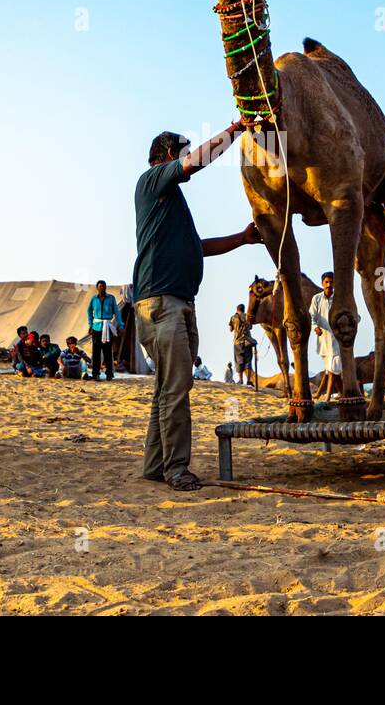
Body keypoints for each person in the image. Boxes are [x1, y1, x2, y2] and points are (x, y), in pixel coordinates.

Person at [132, 124, 261, 492]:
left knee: (168, 387)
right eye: (182, 152)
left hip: (175, 301)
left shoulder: (169, 203)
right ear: (169, 155)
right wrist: (235, 129)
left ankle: (156, 465)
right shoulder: (152, 180)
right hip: (162, 303)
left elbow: (197, 247)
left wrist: (241, 239)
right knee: (174, 388)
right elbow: (194, 163)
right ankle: (176, 469)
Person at [310, 271, 346, 401]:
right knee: (331, 370)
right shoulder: (317, 299)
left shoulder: (340, 298)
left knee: (332, 371)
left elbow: (352, 315)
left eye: (331, 282)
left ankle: (327, 399)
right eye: (326, 282)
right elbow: (312, 317)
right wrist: (315, 328)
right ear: (322, 283)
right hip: (324, 341)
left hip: (337, 341)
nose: (329, 284)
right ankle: (344, 395)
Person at [87, 280, 122, 381]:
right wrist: (90, 323)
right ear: (97, 288)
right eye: (100, 286)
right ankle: (95, 374)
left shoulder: (111, 298)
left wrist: (121, 326)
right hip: (96, 327)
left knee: (107, 352)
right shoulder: (94, 299)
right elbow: (89, 311)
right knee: (96, 352)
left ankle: (109, 374)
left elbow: (117, 312)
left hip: (107, 327)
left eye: (103, 286)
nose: (102, 288)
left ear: (106, 287)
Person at [229, 302, 256, 386]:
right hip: (247, 342)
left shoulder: (233, 317)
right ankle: (248, 380)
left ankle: (240, 380)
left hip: (237, 342)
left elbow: (230, 329)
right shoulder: (247, 317)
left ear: (237, 309)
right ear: (244, 310)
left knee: (239, 362)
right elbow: (251, 327)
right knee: (248, 361)